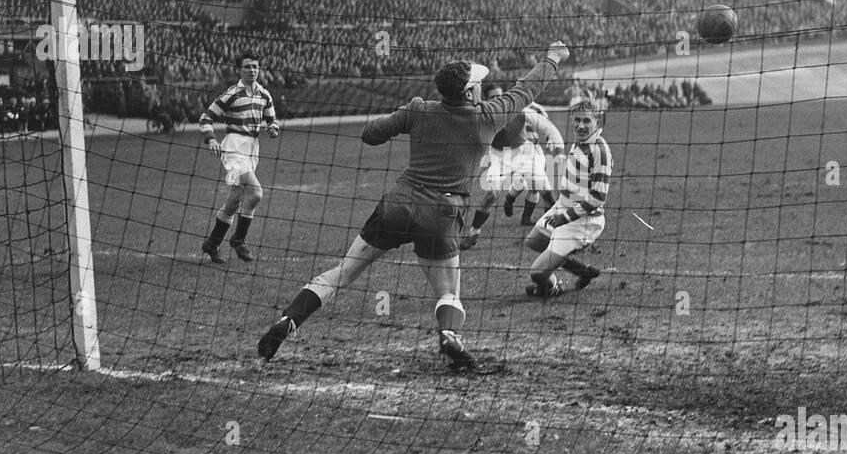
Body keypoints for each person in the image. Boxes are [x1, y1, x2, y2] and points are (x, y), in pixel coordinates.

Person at [257, 40, 571, 370]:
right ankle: (449, 335)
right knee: (449, 293)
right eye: (476, 84)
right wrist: (553, 57)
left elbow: (370, 134)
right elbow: (528, 87)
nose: (480, 88)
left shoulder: (420, 108)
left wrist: (406, 115)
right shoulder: (488, 117)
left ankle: (288, 321)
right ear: (467, 93)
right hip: (441, 214)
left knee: (342, 273)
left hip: (397, 204)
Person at [524, 99, 611, 298]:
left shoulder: (600, 152)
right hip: (562, 208)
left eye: (587, 121)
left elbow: (598, 197)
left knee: (537, 273)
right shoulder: (580, 141)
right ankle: (583, 271)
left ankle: (550, 288)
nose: (581, 125)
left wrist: (565, 217)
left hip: (582, 221)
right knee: (534, 242)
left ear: (598, 122)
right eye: (577, 120)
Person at [198, 53, 280, 264]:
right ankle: (238, 240)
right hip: (234, 146)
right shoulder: (232, 94)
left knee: (234, 201)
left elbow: (273, 120)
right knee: (256, 193)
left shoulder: (264, 94)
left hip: (252, 148)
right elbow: (206, 117)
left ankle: (212, 243)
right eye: (247, 67)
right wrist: (211, 140)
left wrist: (273, 129)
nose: (251, 70)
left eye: (255, 67)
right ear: (239, 70)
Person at [459, 91, 565, 249]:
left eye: (500, 95)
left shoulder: (521, 112)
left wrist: (559, 149)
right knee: (491, 194)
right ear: (487, 98)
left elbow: (548, 127)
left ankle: (558, 234)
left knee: (546, 193)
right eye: (493, 96)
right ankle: (473, 234)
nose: (498, 99)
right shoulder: (482, 114)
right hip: (498, 157)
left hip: (525, 154)